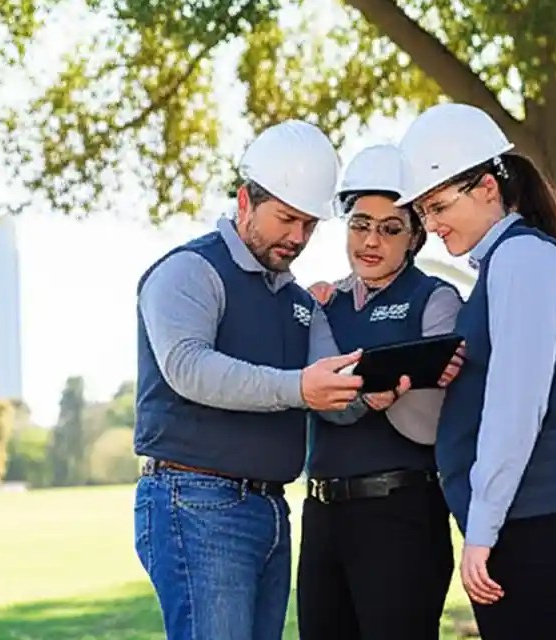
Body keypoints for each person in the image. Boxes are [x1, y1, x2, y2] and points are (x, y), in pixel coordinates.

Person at [133, 120, 408, 639]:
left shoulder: (302, 303)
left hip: (270, 511)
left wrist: (371, 392)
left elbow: (331, 396)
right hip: (195, 501)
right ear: (245, 201)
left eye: (309, 225)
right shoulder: (189, 271)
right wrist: (298, 388)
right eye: (286, 219)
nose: (298, 238)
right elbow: (188, 368)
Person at [395, 102, 556, 639]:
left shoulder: (522, 260)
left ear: (488, 187)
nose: (432, 225)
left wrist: (483, 530)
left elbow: (516, 408)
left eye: (439, 205)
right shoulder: (506, 263)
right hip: (534, 516)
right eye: (422, 213)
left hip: (536, 518)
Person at [297, 144, 463, 640]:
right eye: (360, 224)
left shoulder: (435, 299)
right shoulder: (321, 304)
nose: (371, 240)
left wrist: (379, 394)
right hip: (322, 515)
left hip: (400, 516)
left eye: (390, 229)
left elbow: (436, 418)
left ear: (415, 237)